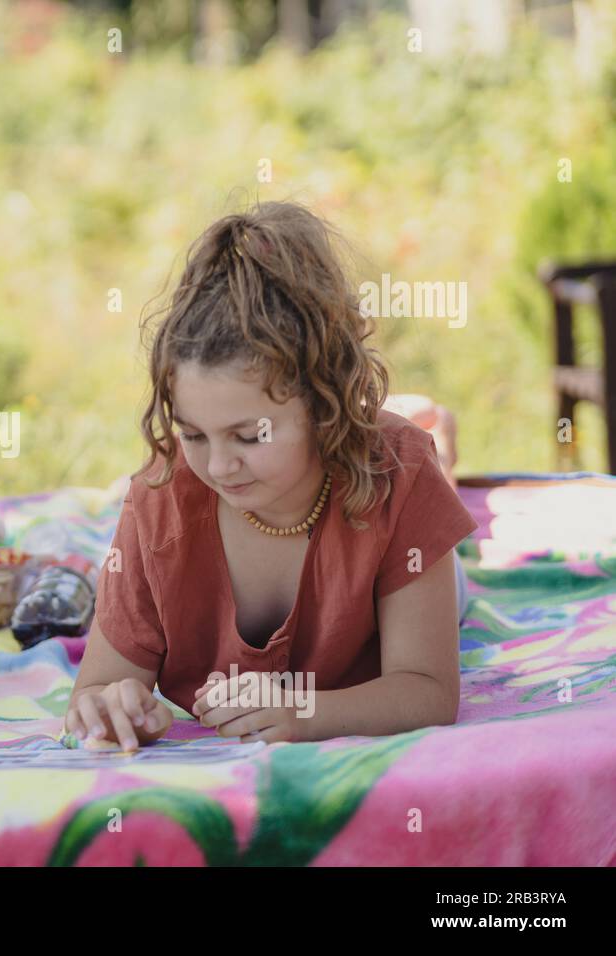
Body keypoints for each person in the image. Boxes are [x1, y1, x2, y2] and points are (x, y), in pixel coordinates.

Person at [65, 201, 478, 751]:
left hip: (409, 551)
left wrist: (308, 714)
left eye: (249, 435)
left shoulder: (398, 475)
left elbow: (428, 691)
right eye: (193, 434)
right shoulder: (160, 496)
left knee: (432, 485)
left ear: (324, 403)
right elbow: (97, 688)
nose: (218, 467)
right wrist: (110, 709)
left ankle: (431, 425)